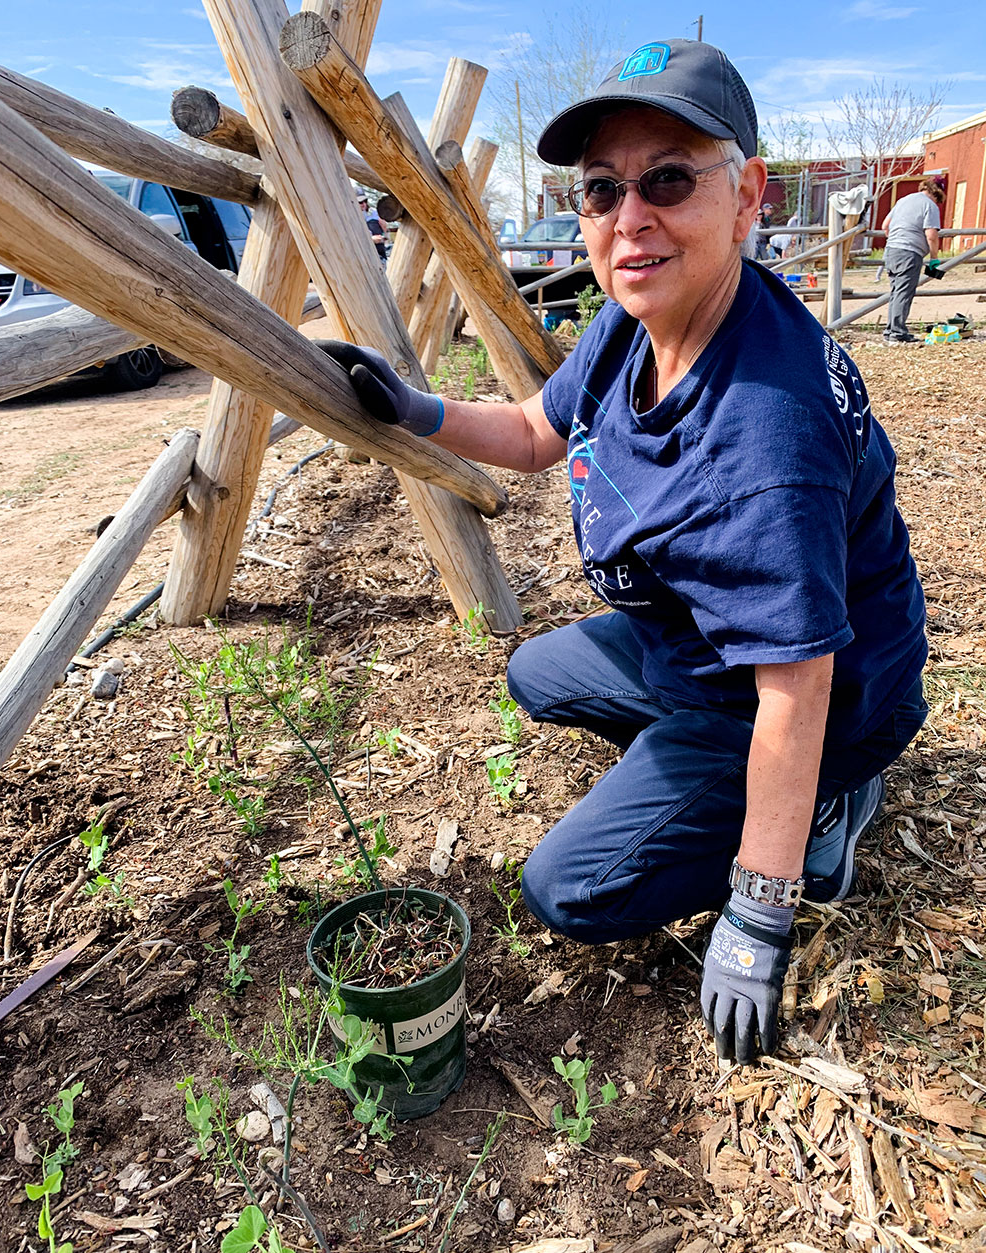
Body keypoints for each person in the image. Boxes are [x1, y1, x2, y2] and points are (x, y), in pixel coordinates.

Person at [319, 38, 928, 1066]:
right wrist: (417, 409)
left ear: (746, 198)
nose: (628, 217)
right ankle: (720, 779)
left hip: (810, 694)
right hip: (696, 646)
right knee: (534, 670)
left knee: (572, 887)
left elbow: (797, 684)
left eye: (668, 180)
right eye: (602, 191)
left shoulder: (764, 438)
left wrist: (759, 913)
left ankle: (823, 810)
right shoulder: (631, 321)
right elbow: (529, 432)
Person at [881, 180, 944, 342]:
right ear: (937, 194)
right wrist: (934, 258)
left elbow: (885, 226)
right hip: (909, 253)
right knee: (904, 293)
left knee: (896, 291)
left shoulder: (903, 200)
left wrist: (896, 239)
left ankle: (891, 330)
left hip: (891, 250)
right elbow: (931, 235)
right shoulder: (930, 206)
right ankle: (897, 332)